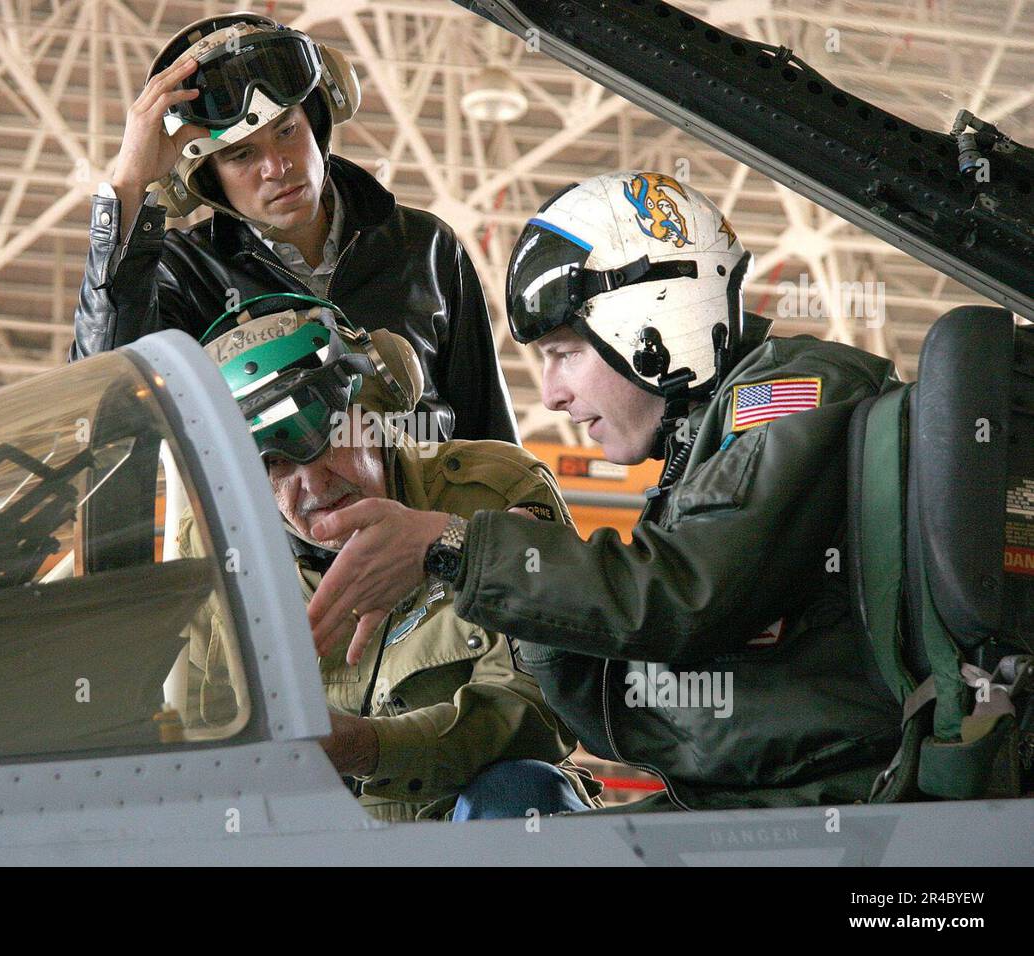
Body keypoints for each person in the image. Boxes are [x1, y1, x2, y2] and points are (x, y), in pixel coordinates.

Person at [304, 171, 905, 810]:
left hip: (841, 809)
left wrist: (454, 546)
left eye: (564, 352)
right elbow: (628, 719)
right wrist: (525, 608)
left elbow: (691, 594)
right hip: (751, 804)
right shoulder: (699, 453)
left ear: (652, 323)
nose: (553, 395)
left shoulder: (794, 393)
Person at [175, 298, 598, 821]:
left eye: (327, 438)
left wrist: (369, 747)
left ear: (376, 416)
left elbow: (539, 706)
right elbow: (192, 741)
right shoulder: (214, 553)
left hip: (456, 824)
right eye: (276, 463)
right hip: (304, 837)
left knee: (518, 792)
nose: (313, 483)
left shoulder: (492, 494)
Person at [71, 12, 517, 444]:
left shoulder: (425, 246)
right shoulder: (183, 274)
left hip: (426, 512)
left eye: (287, 131)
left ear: (317, 122)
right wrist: (128, 187)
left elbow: (490, 432)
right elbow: (105, 403)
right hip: (273, 520)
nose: (276, 166)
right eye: (241, 155)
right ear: (209, 176)